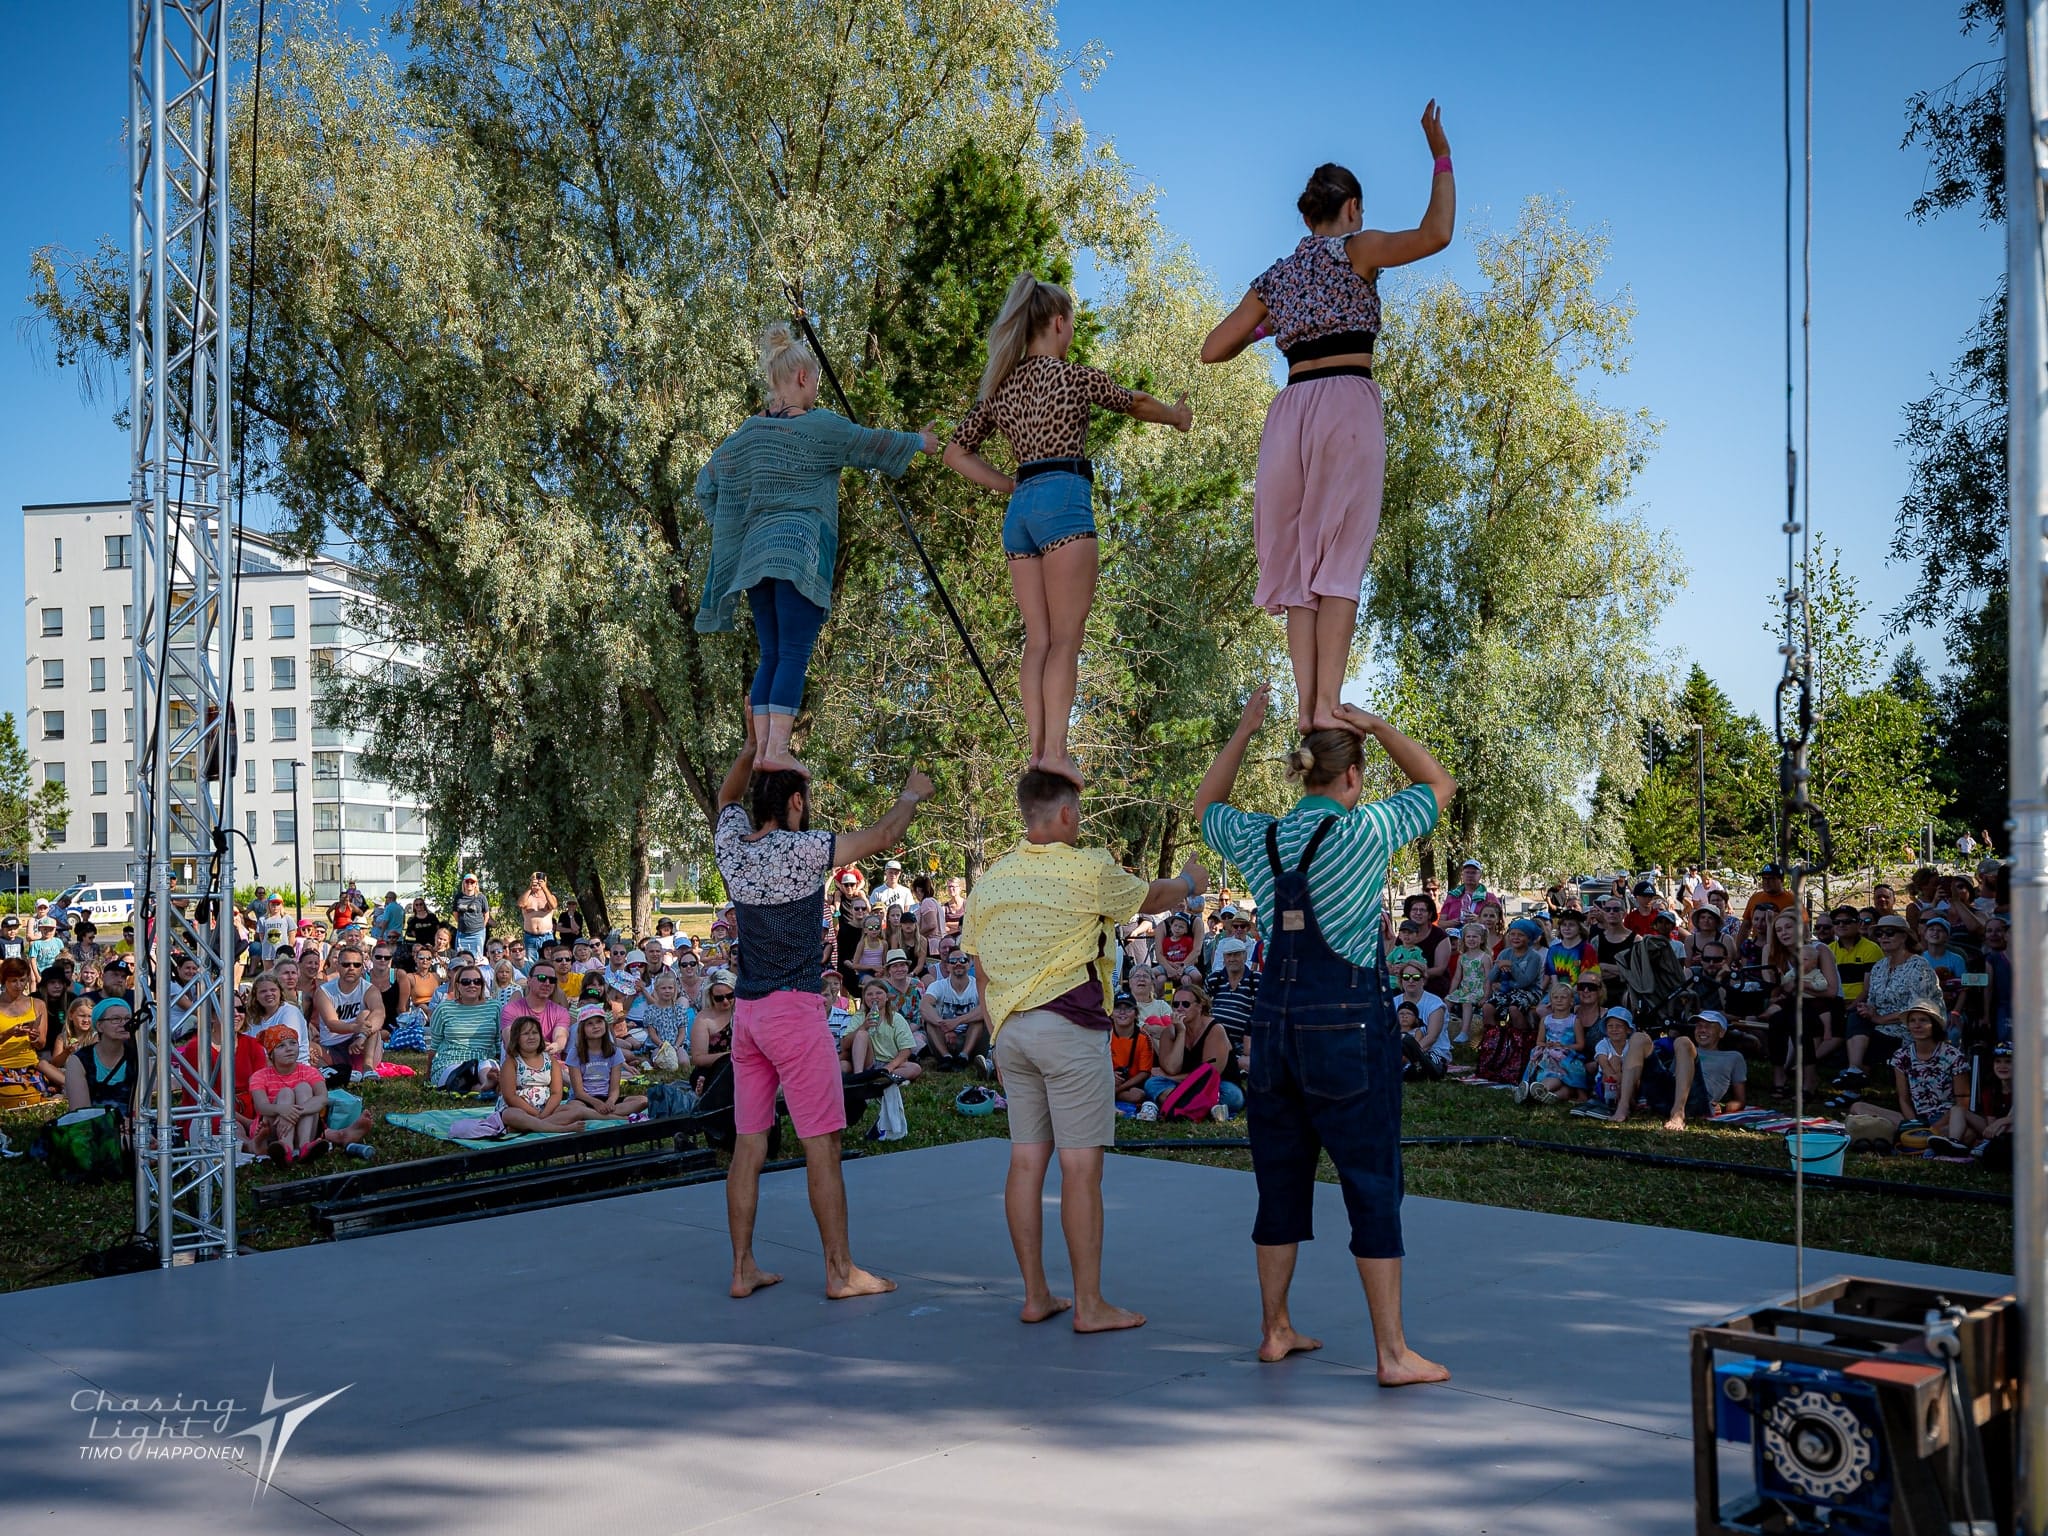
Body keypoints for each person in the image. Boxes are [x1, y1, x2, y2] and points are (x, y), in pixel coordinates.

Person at [1194, 683, 1456, 1384]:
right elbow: (1439, 784)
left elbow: (1205, 807)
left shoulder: (1261, 836)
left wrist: (1244, 730)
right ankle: (1392, 1353)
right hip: (1347, 1027)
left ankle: (1275, 1328)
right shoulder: (1365, 831)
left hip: (1273, 1029)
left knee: (1279, 1181)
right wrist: (1378, 723)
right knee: (1371, 1180)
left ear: (1302, 774)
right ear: (1353, 777)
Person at [1200, 111, 1454, 741]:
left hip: (1290, 412)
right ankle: (1327, 704)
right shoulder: (1356, 250)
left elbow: (1213, 348)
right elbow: (1436, 234)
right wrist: (1440, 154)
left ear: (1309, 215)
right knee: (1339, 556)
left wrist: (1272, 323)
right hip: (1344, 400)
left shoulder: (1279, 276)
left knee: (1295, 567)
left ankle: (1306, 705)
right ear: (1352, 208)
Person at [962, 766, 1208, 1332]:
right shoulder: (1087, 867)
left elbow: (980, 967)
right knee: (1080, 1169)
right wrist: (1189, 881)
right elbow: (1150, 897)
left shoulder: (991, 879)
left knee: (1026, 1160)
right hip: (1068, 1030)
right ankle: (1089, 1305)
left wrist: (997, 1035)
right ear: (1067, 813)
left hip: (1012, 1033)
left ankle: (1035, 1295)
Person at [944, 272, 1193, 786]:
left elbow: (954, 452)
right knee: (1065, 641)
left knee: (1037, 640)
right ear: (1058, 323)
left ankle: (1037, 750)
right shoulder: (1075, 377)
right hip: (1064, 501)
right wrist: (1176, 416)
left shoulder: (1000, 388)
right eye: (1072, 323)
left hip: (1021, 513)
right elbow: (1134, 401)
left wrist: (1008, 484)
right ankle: (1056, 751)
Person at [713, 736, 930, 1301]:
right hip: (794, 1011)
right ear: (796, 802)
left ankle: (742, 1268)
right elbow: (883, 837)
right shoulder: (803, 848)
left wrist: (752, 747)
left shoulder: (732, 846)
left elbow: (726, 796)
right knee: (822, 1143)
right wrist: (910, 794)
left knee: (749, 1145)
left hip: (749, 1015)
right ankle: (840, 1271)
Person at [695, 322, 941, 777]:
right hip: (799, 555)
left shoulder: (746, 436)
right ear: (803, 377)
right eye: (816, 384)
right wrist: (920, 442)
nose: (816, 392)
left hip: (755, 564)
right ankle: (776, 749)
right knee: (793, 653)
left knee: (771, 654)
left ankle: (765, 749)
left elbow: (705, 485)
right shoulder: (820, 427)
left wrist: (734, 530)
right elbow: (871, 443)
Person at [500, 1014, 595, 1133]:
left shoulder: (550, 1060)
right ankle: (560, 1128)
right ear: (516, 1038)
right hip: (521, 1109)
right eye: (526, 1034)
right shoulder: (512, 1062)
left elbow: (556, 1093)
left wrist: (544, 1114)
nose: (531, 1037)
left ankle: (530, 1126)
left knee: (573, 1109)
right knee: (510, 1115)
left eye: (535, 1033)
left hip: (548, 1110)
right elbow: (510, 1096)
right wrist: (535, 1113)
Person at [249, 1025, 330, 1164]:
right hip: (273, 1131)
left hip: (305, 1127)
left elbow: (323, 1098)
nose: (289, 1048)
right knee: (285, 1093)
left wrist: (293, 1112)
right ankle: (285, 1147)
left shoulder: (310, 1071)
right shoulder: (259, 1076)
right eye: (281, 1046)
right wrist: (282, 1110)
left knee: (304, 1087)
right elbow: (261, 1106)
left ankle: (305, 1146)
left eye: (293, 1043)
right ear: (271, 1054)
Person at [312, 942, 385, 1090]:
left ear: (362, 967)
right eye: (346, 964)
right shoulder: (324, 991)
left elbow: (380, 1013)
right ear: (338, 966)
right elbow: (332, 1023)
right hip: (332, 1047)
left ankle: (367, 1068)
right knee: (308, 1048)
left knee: (367, 1015)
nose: (351, 968)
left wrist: (362, 1036)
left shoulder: (369, 989)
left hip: (361, 1047)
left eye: (356, 965)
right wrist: (356, 1028)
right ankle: (332, 1072)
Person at [567, 1007, 648, 1121]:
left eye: (599, 1022)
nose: (595, 1026)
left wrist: (610, 1101)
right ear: (582, 1029)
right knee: (573, 1108)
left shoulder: (614, 1051)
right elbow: (578, 1092)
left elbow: (614, 1088)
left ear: (605, 1025)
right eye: (590, 1024)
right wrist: (596, 1103)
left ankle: (592, 1115)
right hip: (584, 1100)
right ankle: (620, 1118)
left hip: (606, 1097)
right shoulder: (575, 1053)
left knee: (643, 1100)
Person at [65, 997, 137, 1123]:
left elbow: (141, 1109)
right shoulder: (79, 1061)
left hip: (133, 1129)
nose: (124, 1024)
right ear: (99, 1026)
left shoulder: (138, 1059)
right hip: (93, 1130)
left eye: (127, 1019)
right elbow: (81, 1114)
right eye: (116, 1019)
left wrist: (131, 1123)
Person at [0, 957, 55, 1107]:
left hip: (30, 1065)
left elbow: (41, 1044)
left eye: (22, 980)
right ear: (4, 980)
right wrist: (9, 1033)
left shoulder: (37, 1004)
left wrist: (33, 1037)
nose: (19, 985)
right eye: (13, 981)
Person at [1108, 995, 1155, 1112]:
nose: (1122, 1012)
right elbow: (1094, 1062)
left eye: (1128, 1008)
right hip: (1108, 1078)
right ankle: (1108, 1094)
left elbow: (1144, 1072)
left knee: (1137, 1095)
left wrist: (1119, 1089)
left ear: (1136, 1014)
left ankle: (1108, 1095)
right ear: (1111, 1013)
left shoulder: (1144, 1037)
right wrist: (1109, 1074)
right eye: (1117, 1008)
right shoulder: (1105, 1034)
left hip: (1131, 1083)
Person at [517, 873, 558, 965]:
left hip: (547, 936)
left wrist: (544, 887)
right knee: (531, 964)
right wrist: (530, 888)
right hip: (530, 937)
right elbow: (520, 904)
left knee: (550, 962)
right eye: (534, 879)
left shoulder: (550, 897)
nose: (537, 881)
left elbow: (553, 905)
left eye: (539, 879)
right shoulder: (527, 897)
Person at [451, 874, 490, 960]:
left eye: (472, 882)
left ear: (476, 884)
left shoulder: (481, 897)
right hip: (462, 933)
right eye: (467, 882)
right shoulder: (458, 897)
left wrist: (482, 926)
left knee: (477, 958)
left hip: (477, 933)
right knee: (461, 958)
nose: (469, 884)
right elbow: (455, 913)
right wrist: (462, 923)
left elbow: (486, 914)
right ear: (463, 883)